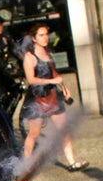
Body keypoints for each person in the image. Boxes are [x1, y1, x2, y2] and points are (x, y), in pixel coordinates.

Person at [21, 23, 88, 171]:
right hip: (37, 98)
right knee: (34, 133)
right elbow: (31, 80)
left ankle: (72, 162)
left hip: (52, 96)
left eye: (46, 34)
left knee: (63, 129)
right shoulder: (29, 57)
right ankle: (26, 165)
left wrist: (64, 87)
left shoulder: (47, 54)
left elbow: (55, 73)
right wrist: (52, 81)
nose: (45, 38)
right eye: (41, 35)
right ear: (34, 38)